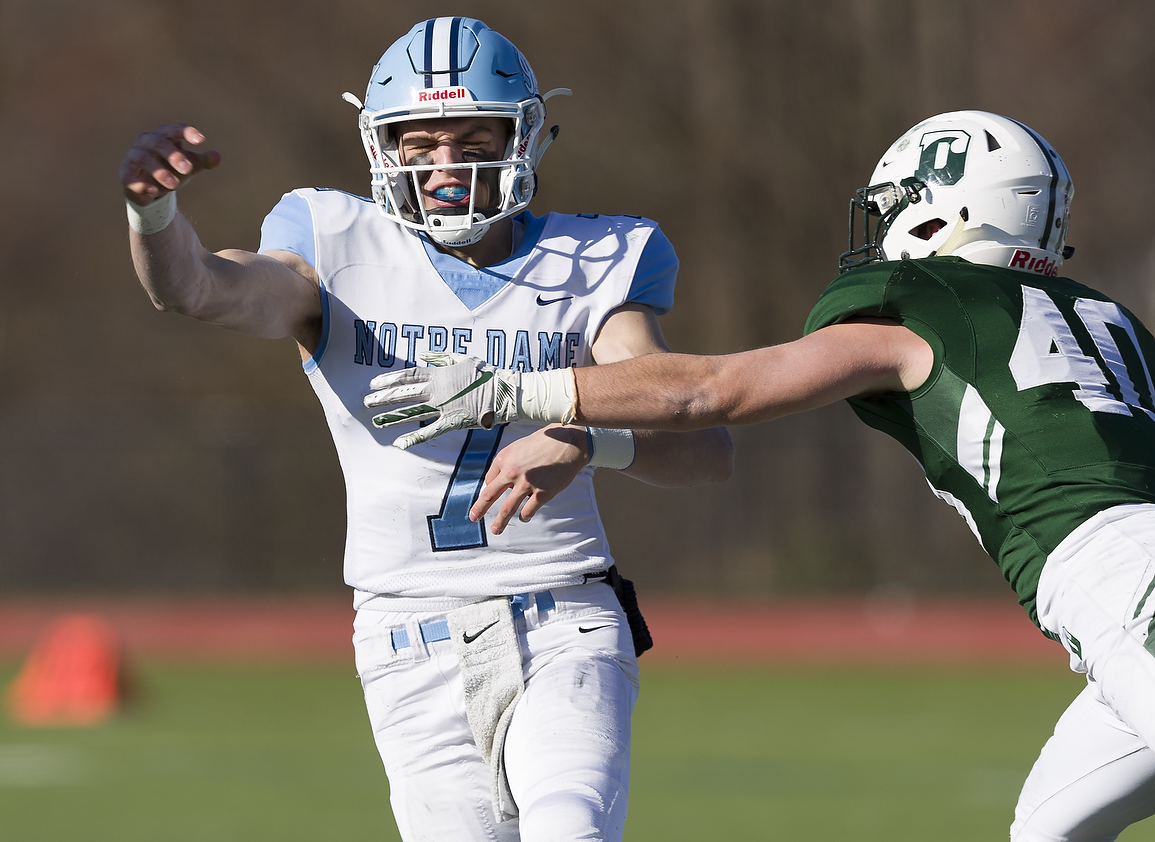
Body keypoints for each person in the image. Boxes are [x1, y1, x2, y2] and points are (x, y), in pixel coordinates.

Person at [365, 109, 1155, 840]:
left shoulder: (925, 300)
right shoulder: (1111, 320)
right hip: (1119, 579)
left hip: (1115, 573)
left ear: (949, 208)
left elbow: (710, 393)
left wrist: (512, 390)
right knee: (1052, 827)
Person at [119, 17, 732, 842]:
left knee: (570, 827)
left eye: (473, 140)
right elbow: (198, 289)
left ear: (523, 140)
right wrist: (154, 214)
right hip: (406, 633)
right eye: (421, 142)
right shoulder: (333, 243)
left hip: (563, 612)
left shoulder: (595, 259)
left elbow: (701, 443)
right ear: (383, 148)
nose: (446, 166)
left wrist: (592, 438)